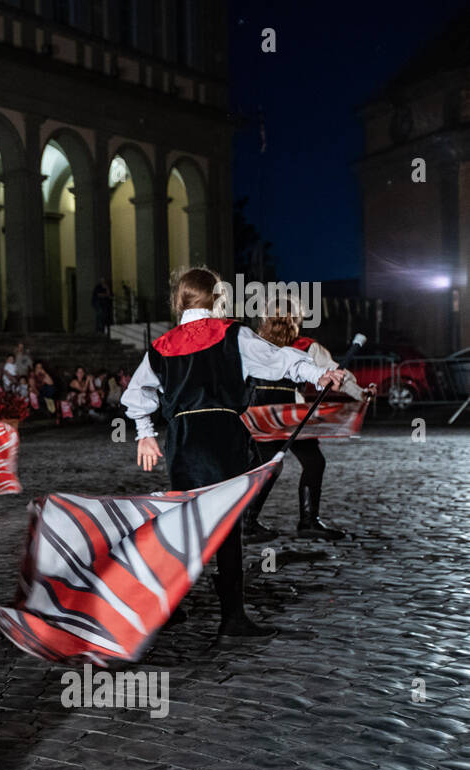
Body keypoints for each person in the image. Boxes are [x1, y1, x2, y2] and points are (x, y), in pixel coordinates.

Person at [122, 266, 346, 638]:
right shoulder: (232, 334)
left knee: (186, 520)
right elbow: (279, 359)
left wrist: (145, 434)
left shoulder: (161, 345)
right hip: (222, 436)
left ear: (180, 301)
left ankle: (166, 604)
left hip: (182, 441)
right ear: (218, 298)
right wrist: (316, 374)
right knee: (226, 525)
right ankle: (232, 617)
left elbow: (136, 394)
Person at [243, 301, 368, 543]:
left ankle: (253, 523)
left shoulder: (253, 345)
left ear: (263, 319)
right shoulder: (305, 347)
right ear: (297, 319)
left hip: (262, 415)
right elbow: (337, 375)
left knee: (269, 467)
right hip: (284, 417)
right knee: (302, 463)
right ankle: (299, 522)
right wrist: (362, 393)